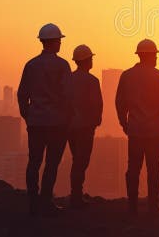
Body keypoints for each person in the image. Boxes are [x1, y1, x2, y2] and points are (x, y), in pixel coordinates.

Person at [18, 23, 72, 216]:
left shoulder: (31, 65)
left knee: (34, 161)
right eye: (59, 40)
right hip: (57, 123)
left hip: (36, 122)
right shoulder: (62, 65)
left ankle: (33, 202)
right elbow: (68, 95)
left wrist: (29, 115)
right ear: (55, 42)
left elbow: (22, 94)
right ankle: (46, 200)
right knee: (51, 163)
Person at [115, 39, 159, 216]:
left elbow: (120, 103)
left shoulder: (127, 76)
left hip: (135, 130)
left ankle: (132, 207)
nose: (156, 58)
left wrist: (124, 123)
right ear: (150, 55)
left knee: (133, 168)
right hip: (154, 131)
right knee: (154, 169)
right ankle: (153, 206)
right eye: (155, 55)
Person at [65, 44, 102, 210]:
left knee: (76, 160)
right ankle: (76, 197)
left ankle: (76, 195)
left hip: (70, 126)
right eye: (91, 58)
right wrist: (95, 122)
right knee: (81, 161)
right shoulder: (92, 81)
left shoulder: (68, 79)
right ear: (87, 61)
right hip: (85, 127)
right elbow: (96, 105)